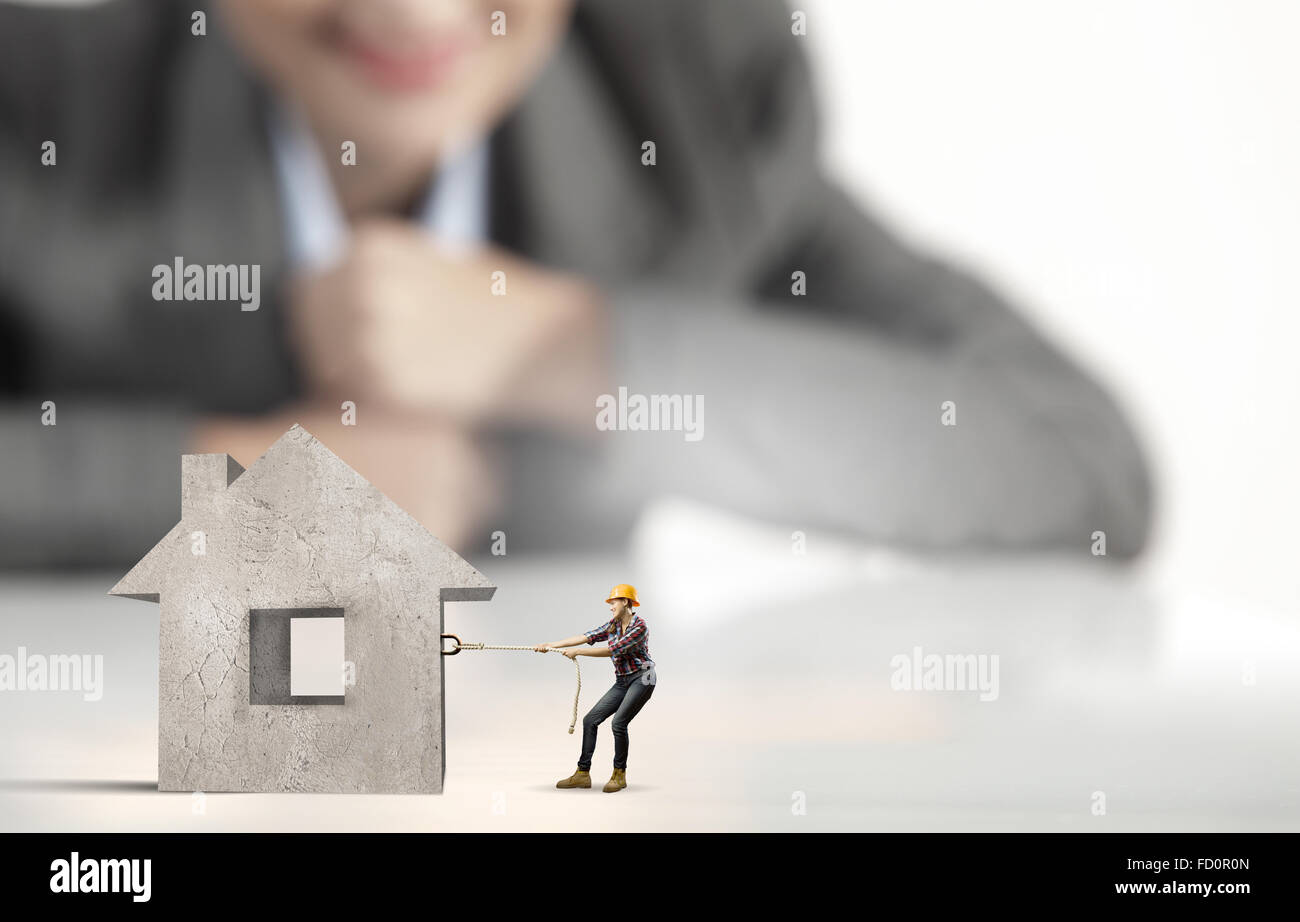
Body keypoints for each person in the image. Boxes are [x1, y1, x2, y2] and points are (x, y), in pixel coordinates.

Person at [0, 0, 1155, 568]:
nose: (415, 10)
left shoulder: (689, 118)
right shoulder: (41, 101)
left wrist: (568, 347)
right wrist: (241, 482)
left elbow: (1078, 460)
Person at [534, 584, 655, 792]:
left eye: (613, 602)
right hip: (623, 681)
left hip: (643, 679)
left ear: (625, 602)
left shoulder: (639, 627)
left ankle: (619, 774)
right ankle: (582, 774)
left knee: (618, 723)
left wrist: (577, 652)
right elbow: (587, 636)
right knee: (590, 720)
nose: (610, 607)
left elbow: (613, 650)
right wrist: (551, 644)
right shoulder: (613, 625)